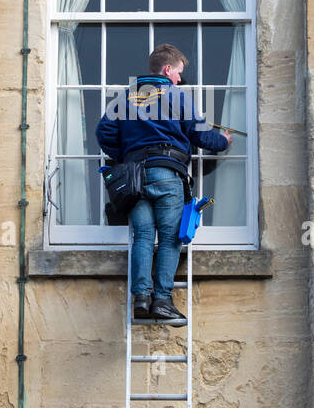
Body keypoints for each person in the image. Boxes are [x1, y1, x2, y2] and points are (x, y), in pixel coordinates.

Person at [95, 43, 232, 326]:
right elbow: (201, 135)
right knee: (170, 238)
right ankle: (162, 301)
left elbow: (104, 133)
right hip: (167, 173)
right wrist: (224, 142)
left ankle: (141, 298)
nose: (181, 79)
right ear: (168, 69)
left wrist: (126, 155)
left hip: (133, 177)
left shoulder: (126, 99)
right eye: (179, 72)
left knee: (143, 237)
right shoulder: (177, 97)